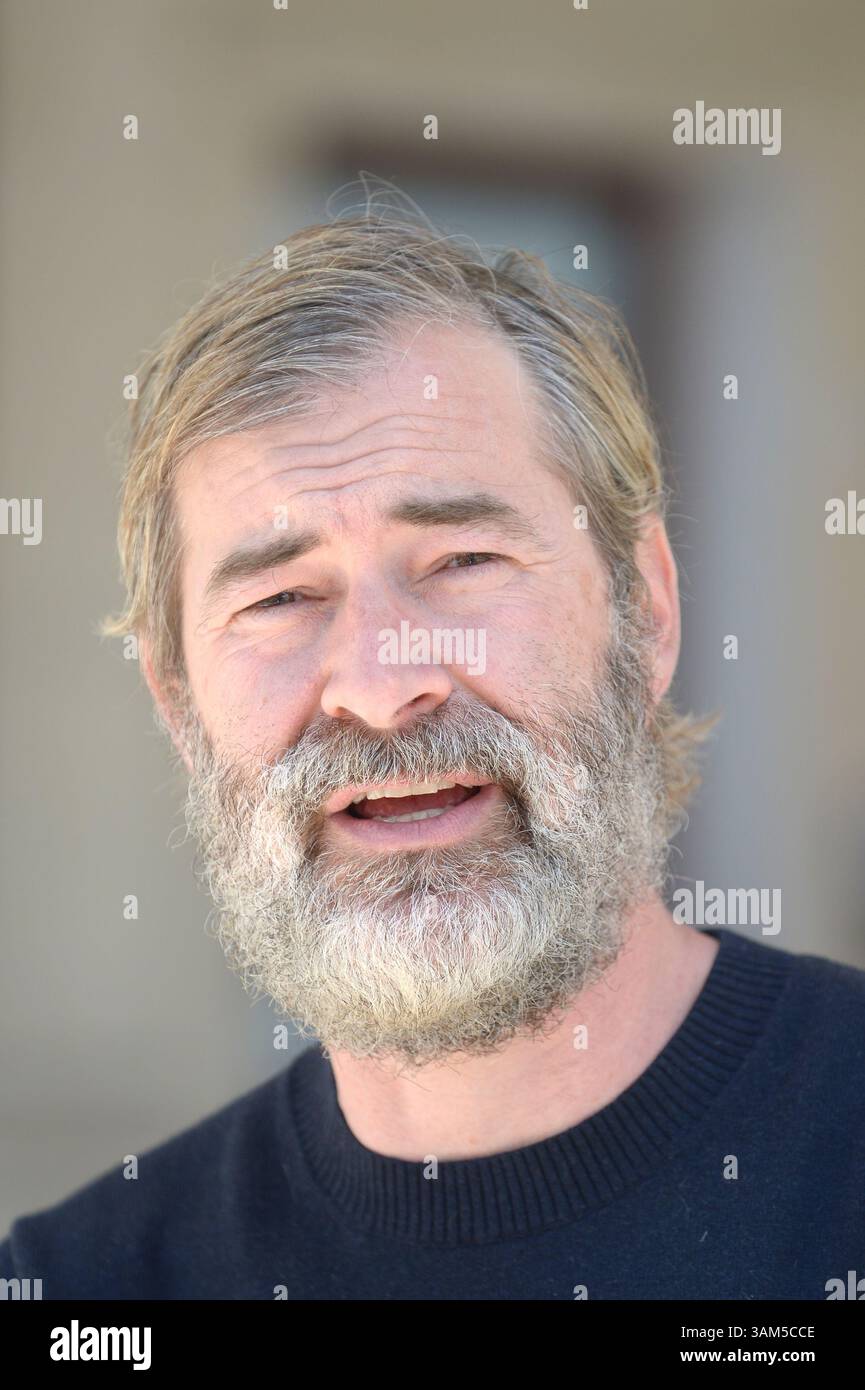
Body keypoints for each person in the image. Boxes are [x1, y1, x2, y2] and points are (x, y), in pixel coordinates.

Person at [2, 199, 863, 1301]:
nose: (379, 681)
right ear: (178, 702)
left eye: (460, 559)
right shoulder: (86, 1289)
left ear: (643, 609)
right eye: (279, 596)